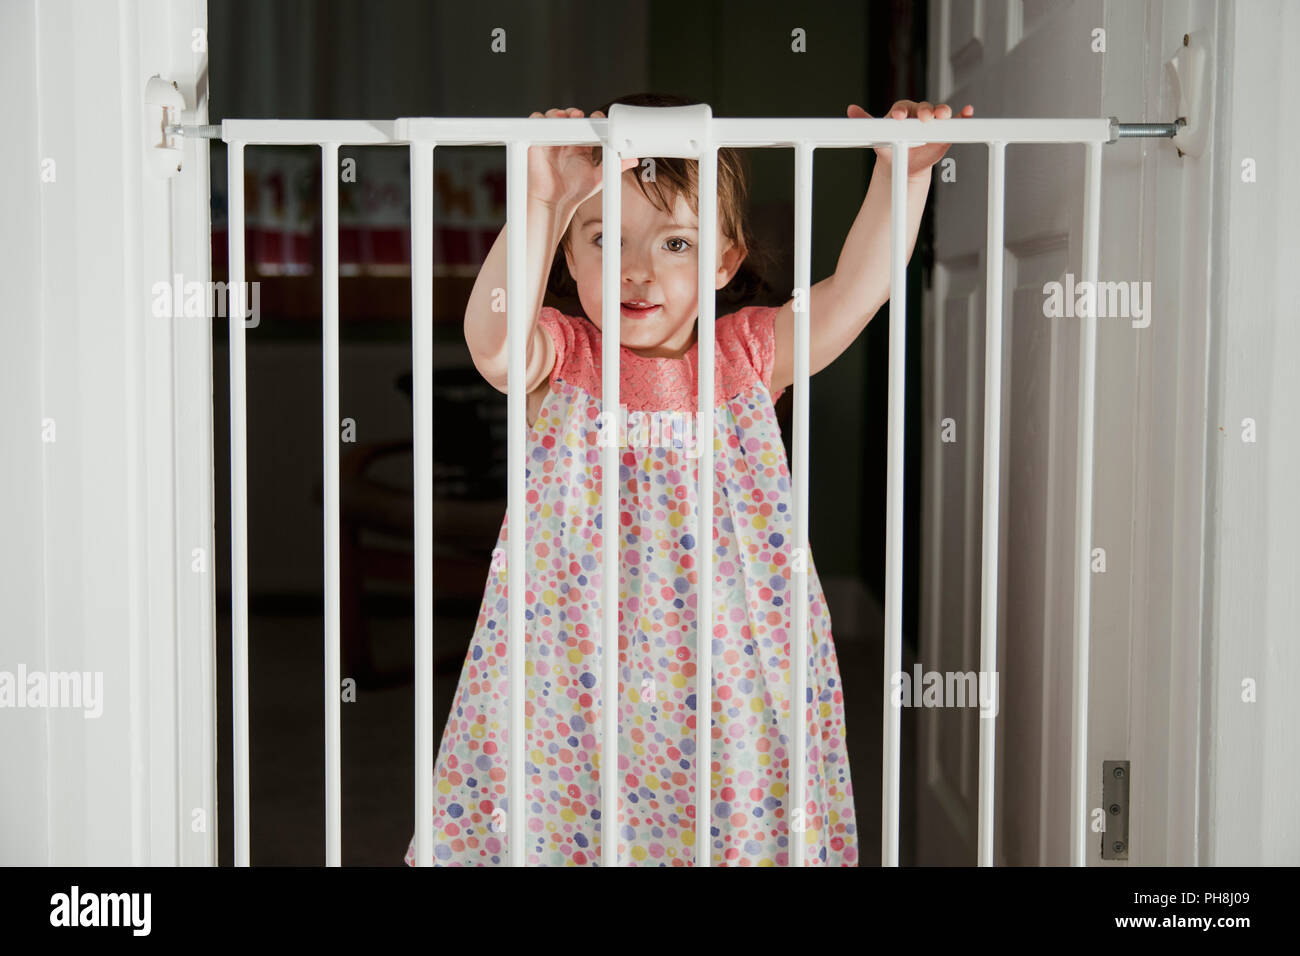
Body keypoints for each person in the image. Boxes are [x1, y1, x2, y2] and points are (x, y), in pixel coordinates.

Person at [405, 91, 971, 866]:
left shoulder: (746, 355)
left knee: (725, 810)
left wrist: (900, 177)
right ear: (569, 257)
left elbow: (855, 292)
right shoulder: (563, 357)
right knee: (572, 813)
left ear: (724, 261)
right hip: (575, 658)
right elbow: (493, 343)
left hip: (727, 657)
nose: (638, 271)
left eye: (675, 244)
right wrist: (542, 199)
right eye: (606, 240)